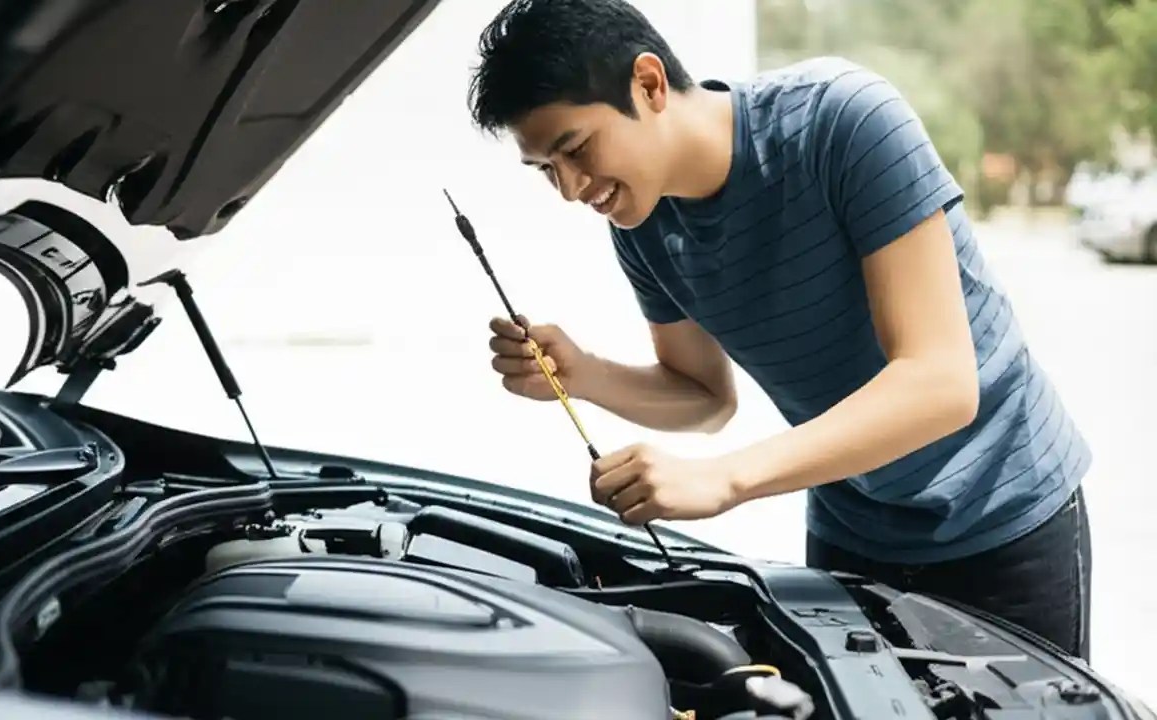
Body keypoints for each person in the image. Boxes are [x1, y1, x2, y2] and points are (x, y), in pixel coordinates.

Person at [465, 0, 1093, 660]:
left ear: (648, 85)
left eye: (575, 149)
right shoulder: (641, 225)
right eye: (545, 169)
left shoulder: (844, 121)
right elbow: (705, 397)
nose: (569, 189)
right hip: (853, 531)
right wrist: (585, 375)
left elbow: (940, 384)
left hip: (1005, 520)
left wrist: (726, 480)